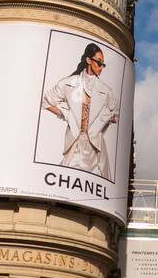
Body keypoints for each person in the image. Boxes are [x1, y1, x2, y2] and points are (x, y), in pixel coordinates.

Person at [43, 43, 119, 180]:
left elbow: (117, 113)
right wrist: (64, 114)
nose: (101, 67)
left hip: (95, 148)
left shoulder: (106, 91)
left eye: (103, 65)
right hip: (74, 143)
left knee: (98, 183)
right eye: (99, 63)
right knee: (66, 180)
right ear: (89, 60)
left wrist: (107, 119)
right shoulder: (69, 83)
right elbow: (46, 101)